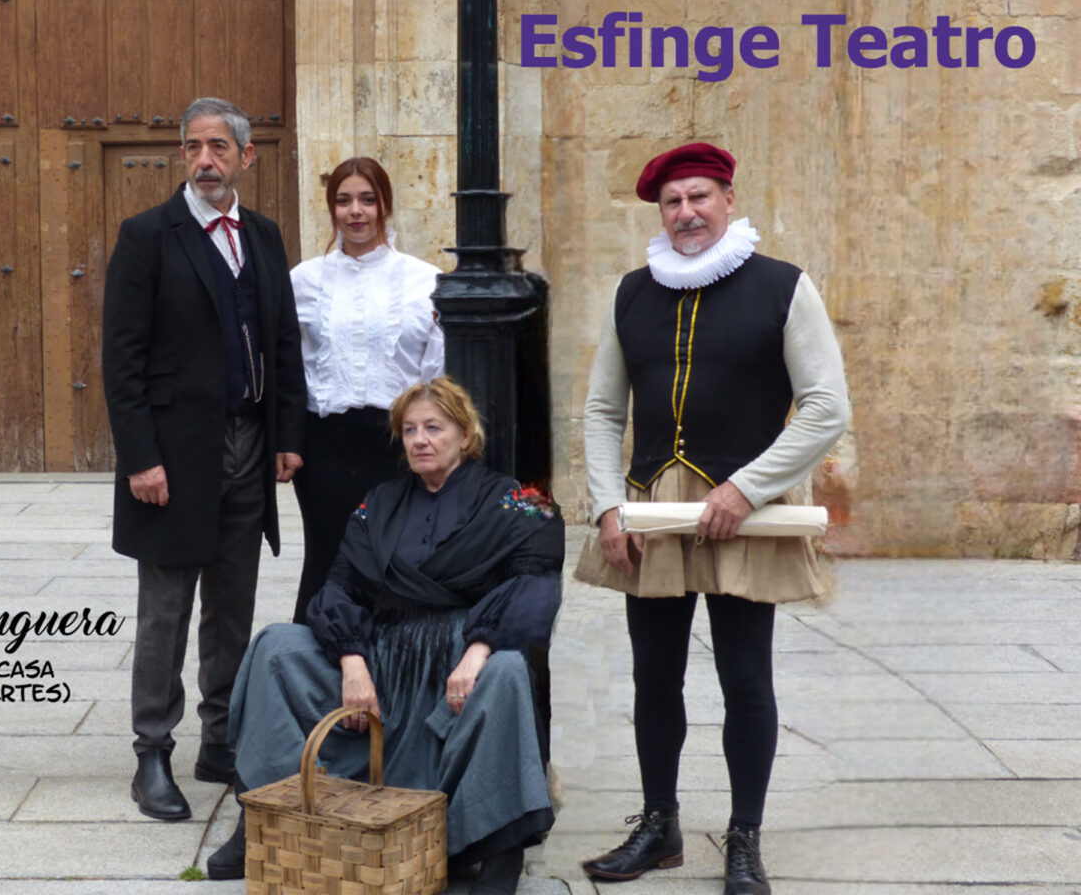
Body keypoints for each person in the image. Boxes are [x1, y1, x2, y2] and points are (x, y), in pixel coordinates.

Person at [576, 142, 850, 895]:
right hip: (651, 504)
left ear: (728, 200)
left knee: (745, 678)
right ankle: (660, 825)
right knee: (653, 677)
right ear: (659, 214)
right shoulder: (632, 292)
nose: (687, 213)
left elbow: (827, 408)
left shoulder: (784, 288)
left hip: (747, 513)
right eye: (672, 202)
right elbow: (603, 410)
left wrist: (746, 489)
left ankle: (744, 838)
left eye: (700, 197)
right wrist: (608, 503)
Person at [205, 377, 563, 894]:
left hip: (458, 666)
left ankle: (496, 849)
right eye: (410, 430)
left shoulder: (517, 498)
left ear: (465, 435)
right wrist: (352, 661)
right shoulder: (381, 502)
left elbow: (538, 578)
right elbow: (339, 588)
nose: (420, 440)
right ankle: (266, 811)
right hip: (380, 662)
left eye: (434, 428)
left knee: (507, 672)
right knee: (276, 646)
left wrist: (478, 649)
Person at [102, 96, 306, 821]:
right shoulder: (147, 236)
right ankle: (152, 752)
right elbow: (120, 361)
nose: (205, 160)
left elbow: (281, 340)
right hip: (173, 455)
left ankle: (221, 740)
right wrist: (140, 460)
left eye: (218, 146)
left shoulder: (265, 236)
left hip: (248, 444)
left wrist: (286, 435)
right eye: (192, 147)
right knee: (166, 609)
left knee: (232, 603)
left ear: (246, 156)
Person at [289, 157, 445, 623]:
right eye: (343, 200)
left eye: (367, 199)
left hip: (395, 443)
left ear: (385, 206)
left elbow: (436, 373)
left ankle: (393, 675)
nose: (355, 211)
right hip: (324, 446)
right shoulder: (303, 280)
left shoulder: (425, 279)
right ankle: (314, 676)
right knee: (327, 558)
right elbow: (289, 368)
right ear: (331, 208)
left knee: (391, 560)